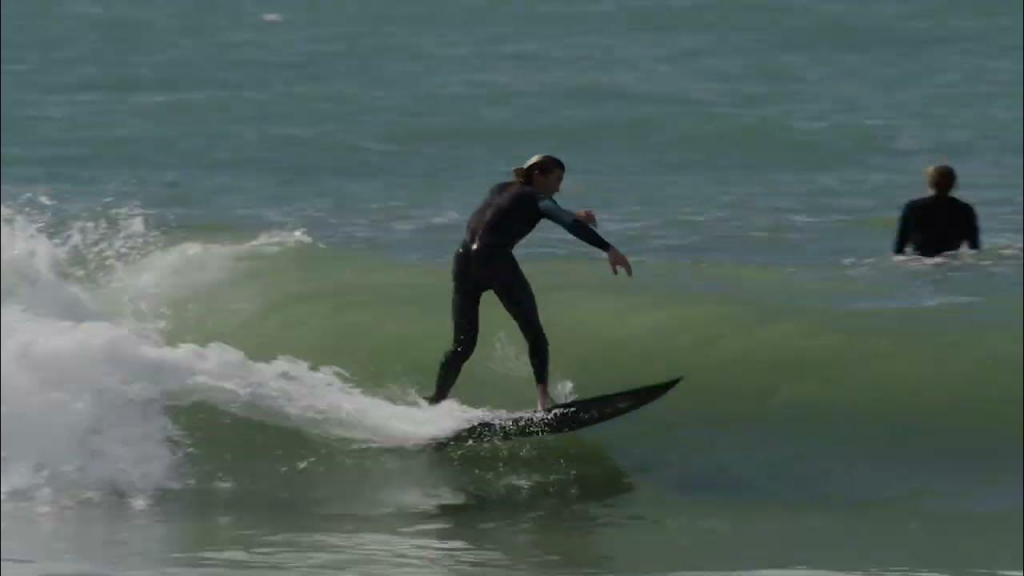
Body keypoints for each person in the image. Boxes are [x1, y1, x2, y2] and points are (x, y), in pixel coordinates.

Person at [426, 155, 632, 410]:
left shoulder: (500, 189)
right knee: (534, 333)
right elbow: (564, 220)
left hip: (464, 260)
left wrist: (572, 214)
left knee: (462, 344)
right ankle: (543, 401)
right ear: (538, 175)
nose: (558, 187)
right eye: (557, 179)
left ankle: (436, 400)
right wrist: (608, 248)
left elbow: (544, 211)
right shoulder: (537, 199)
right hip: (495, 261)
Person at [894, 164, 981, 257]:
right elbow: (974, 247)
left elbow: (899, 247)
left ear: (930, 183)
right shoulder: (965, 210)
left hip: (920, 261)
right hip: (950, 260)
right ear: (953, 184)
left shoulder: (912, 208)